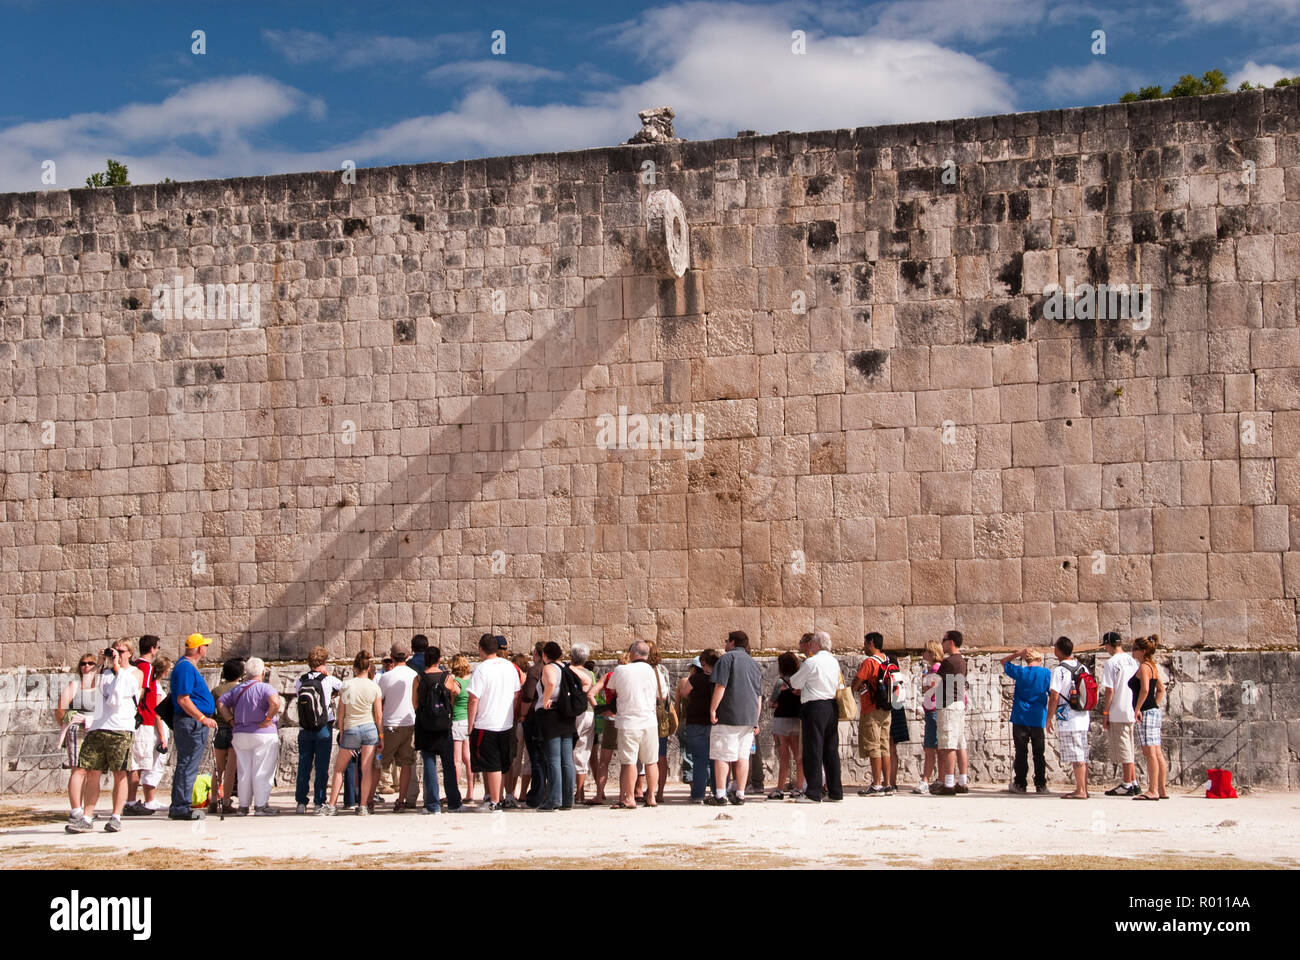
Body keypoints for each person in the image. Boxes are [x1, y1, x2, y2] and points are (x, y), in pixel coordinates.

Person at [65, 640, 142, 834]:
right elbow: (88, 686)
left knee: (120, 773)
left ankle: (116, 816)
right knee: (91, 772)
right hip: (98, 727)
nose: (117, 653)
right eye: (114, 650)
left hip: (120, 729)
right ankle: (86, 817)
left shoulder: (135, 672)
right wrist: (100, 664)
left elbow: (119, 696)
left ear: (130, 653)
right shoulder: (103, 672)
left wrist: (116, 667)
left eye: (121, 651)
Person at [320, 651, 384, 815]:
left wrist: (342, 731)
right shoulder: (374, 687)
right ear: (368, 668)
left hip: (351, 728)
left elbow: (341, 712)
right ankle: (363, 805)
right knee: (366, 769)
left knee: (340, 769)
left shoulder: (347, 686)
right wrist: (381, 735)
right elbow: (378, 715)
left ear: (354, 668)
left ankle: (332, 805)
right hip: (369, 728)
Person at [217, 657, 282, 815]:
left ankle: (243, 805)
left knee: (244, 771)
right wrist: (267, 719)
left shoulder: (237, 689)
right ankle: (260, 805)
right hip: (263, 734)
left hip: (240, 733)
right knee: (263, 769)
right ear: (262, 671)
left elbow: (220, 703)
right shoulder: (265, 688)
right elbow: (275, 702)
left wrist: (231, 720)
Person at [706, 630, 763, 806]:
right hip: (748, 717)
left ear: (732, 643)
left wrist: (713, 709)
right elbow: (758, 695)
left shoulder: (726, 659)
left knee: (722, 755)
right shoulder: (754, 664)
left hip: (729, 715)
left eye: (726, 641)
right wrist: (756, 719)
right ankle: (740, 794)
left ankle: (721, 794)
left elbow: (720, 685)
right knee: (742, 756)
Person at [467, 633, 523, 811]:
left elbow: (473, 699)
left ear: (481, 649)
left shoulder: (482, 669)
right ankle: (500, 798)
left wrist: (470, 724)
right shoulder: (509, 666)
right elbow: (516, 693)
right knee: (503, 763)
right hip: (505, 723)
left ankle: (494, 802)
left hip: (486, 722)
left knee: (492, 765)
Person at [604, 641, 660, 809]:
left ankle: (630, 798)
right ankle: (651, 796)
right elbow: (662, 695)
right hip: (649, 721)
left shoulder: (621, 670)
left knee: (629, 762)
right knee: (651, 761)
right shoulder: (653, 671)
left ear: (632, 653)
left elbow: (611, 688)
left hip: (628, 721)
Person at [788, 631, 843, 804]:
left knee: (813, 749)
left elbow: (795, 682)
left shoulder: (812, 662)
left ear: (817, 645)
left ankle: (813, 792)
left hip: (815, 707)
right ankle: (835, 791)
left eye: (812, 643)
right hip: (831, 705)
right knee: (831, 750)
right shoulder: (834, 661)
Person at [168, 633, 218, 821]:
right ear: (199, 649)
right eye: (204, 646)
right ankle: (181, 806)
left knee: (188, 763)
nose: (205, 649)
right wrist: (202, 717)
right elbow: (183, 698)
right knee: (188, 763)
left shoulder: (186, 667)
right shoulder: (186, 668)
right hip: (191, 723)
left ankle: (181, 804)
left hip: (191, 722)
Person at [411, 645, 462, 813]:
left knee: (429, 763)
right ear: (439, 659)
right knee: (448, 764)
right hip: (444, 725)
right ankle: (454, 802)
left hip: (426, 726)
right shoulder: (446, 677)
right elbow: (456, 692)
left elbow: (415, 703)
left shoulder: (419, 679)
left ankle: (433, 805)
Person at [294, 646, 342, 814]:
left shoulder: (300, 680)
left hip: (305, 726)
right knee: (321, 766)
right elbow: (344, 688)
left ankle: (301, 802)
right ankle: (319, 801)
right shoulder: (328, 680)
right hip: (323, 726)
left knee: (304, 765)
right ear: (324, 662)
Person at [125, 636, 167, 814]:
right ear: (152, 648)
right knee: (137, 763)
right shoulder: (146, 667)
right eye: (157, 647)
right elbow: (140, 692)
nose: (158, 651)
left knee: (139, 763)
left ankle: (132, 801)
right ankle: (131, 802)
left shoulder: (138, 665)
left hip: (143, 718)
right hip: (144, 718)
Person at [1000, 647, 1051, 793]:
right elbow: (1050, 692)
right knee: (1039, 752)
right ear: (1039, 659)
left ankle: (1020, 783)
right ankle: (1041, 784)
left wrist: (1016, 654)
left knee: (1021, 752)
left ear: (1026, 659)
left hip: (1020, 717)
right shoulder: (1046, 673)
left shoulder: (1021, 672)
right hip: (1038, 717)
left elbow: (1003, 662)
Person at [377, 641, 419, 812]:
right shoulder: (414, 675)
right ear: (408, 656)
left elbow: (379, 700)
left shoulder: (386, 677)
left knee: (378, 762)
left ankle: (370, 799)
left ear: (392, 658)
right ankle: (401, 800)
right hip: (409, 724)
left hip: (390, 726)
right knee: (406, 764)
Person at [1046, 636, 1091, 799]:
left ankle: (1080, 790)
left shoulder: (1059, 671)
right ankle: (1084, 788)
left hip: (1068, 716)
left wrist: (1048, 718)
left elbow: (1054, 696)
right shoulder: (1083, 668)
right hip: (1083, 714)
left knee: (1077, 753)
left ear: (1059, 650)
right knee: (1082, 752)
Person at [535, 641, 577, 811]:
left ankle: (554, 799)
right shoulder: (566, 668)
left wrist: (545, 700)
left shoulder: (548, 668)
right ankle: (568, 799)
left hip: (551, 714)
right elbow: (586, 681)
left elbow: (551, 682)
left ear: (545, 655)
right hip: (566, 714)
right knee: (567, 760)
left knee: (553, 759)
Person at [1099, 631, 1141, 796]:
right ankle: (1134, 781)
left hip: (1119, 708)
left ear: (1109, 645)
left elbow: (1110, 690)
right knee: (1129, 746)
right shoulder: (1132, 660)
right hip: (1131, 707)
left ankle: (1126, 783)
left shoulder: (1111, 663)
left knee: (1124, 748)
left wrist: (1105, 712)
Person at [852, 632, 893, 796]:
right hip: (886, 708)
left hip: (871, 708)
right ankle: (887, 784)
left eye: (865, 643)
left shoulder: (869, 662)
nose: (864, 646)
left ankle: (876, 784)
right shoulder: (887, 660)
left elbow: (856, 683)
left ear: (870, 643)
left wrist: (855, 687)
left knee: (873, 746)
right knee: (884, 745)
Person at [677, 650, 719, 803]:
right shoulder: (719, 678)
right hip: (714, 722)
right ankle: (718, 791)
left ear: (703, 663)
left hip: (695, 722)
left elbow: (683, 692)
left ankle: (698, 794)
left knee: (699, 760)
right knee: (716, 760)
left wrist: (695, 698)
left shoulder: (695, 678)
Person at [587, 651, 628, 805]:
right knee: (627, 762)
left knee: (604, 761)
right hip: (626, 720)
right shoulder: (630, 678)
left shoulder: (610, 676)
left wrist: (601, 709)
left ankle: (599, 794)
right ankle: (624, 795)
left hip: (610, 720)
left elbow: (591, 694)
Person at [931, 630, 969, 797]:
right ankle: (962, 781)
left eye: (944, 640)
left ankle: (948, 783)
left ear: (951, 642)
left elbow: (935, 682)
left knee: (948, 745)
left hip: (948, 704)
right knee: (960, 743)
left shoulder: (949, 662)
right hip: (959, 703)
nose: (942, 643)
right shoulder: (961, 660)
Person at [1131, 635, 1168, 801]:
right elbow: (1160, 689)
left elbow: (1145, 689)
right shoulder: (1152, 666)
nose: (1132, 651)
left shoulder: (1145, 667)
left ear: (1143, 651)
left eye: (1135, 649)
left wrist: (1138, 708)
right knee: (1157, 752)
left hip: (1146, 712)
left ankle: (1152, 790)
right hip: (1153, 711)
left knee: (1149, 752)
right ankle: (1161, 788)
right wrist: (1155, 705)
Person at [56, 653, 99, 796]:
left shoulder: (102, 685)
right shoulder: (74, 686)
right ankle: (76, 809)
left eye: (90, 663)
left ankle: (87, 810)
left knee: (93, 771)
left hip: (96, 730)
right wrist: (66, 727)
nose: (86, 666)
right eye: (83, 663)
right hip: (77, 729)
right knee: (78, 769)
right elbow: (60, 708)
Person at [767, 651, 805, 800]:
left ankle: (780, 789)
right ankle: (799, 787)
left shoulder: (780, 682)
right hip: (796, 720)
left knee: (783, 758)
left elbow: (771, 702)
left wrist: (775, 703)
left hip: (780, 722)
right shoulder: (798, 681)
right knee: (798, 756)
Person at [210, 657, 245, 815]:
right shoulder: (241, 688)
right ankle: (225, 802)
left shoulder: (217, 690)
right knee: (231, 768)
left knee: (218, 768)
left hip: (220, 729)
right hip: (235, 729)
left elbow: (212, 710)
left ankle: (212, 800)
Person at [517, 643, 548, 807]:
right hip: (550, 717)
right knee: (547, 757)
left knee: (535, 757)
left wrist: (522, 714)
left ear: (537, 653)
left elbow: (528, 696)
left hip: (534, 717)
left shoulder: (535, 670)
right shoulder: (557, 669)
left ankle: (537, 794)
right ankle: (548, 792)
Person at [912, 642, 943, 794]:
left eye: (926, 650)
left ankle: (926, 780)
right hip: (933, 709)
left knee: (930, 747)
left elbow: (929, 688)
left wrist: (925, 681)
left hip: (933, 710)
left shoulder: (935, 669)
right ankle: (939, 778)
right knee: (935, 747)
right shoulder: (936, 669)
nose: (923, 653)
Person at [567, 643, 596, 805]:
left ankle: (571, 790)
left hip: (575, 712)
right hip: (589, 712)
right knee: (584, 751)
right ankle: (580, 792)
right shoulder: (590, 674)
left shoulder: (569, 671)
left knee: (571, 750)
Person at [646, 641, 673, 805]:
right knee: (660, 755)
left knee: (649, 756)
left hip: (650, 713)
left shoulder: (648, 671)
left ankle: (649, 791)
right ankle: (659, 791)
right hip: (662, 714)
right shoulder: (663, 670)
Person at [503, 651, 531, 808]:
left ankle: (511, 791)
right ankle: (523, 793)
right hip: (527, 719)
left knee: (514, 758)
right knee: (527, 759)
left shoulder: (515, 676)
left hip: (517, 719)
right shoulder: (527, 677)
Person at [448, 654, 476, 803]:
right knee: (468, 758)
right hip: (468, 720)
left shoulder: (456, 682)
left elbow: (452, 702)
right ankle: (470, 792)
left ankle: (455, 792)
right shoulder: (471, 681)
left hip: (457, 720)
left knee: (456, 760)